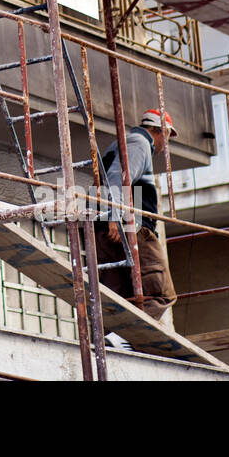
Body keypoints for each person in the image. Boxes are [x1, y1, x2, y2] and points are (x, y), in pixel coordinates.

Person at [94, 108, 177, 324]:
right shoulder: (140, 143)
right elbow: (117, 176)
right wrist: (114, 217)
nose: (166, 145)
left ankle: (114, 337)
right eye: (167, 137)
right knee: (160, 292)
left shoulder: (126, 142)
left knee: (118, 295)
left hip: (108, 227)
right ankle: (130, 335)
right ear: (160, 131)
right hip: (132, 227)